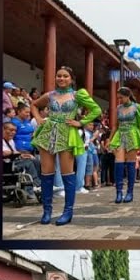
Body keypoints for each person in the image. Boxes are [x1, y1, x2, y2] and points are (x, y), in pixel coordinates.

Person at [29, 66, 101, 226]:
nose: (61, 78)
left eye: (65, 76)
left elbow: (96, 109)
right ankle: (46, 211)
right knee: (46, 174)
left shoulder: (77, 95)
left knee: (67, 173)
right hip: (48, 133)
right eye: (59, 76)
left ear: (71, 79)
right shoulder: (50, 95)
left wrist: (81, 122)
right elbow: (34, 105)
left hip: (67, 134)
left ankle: (67, 212)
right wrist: (39, 119)